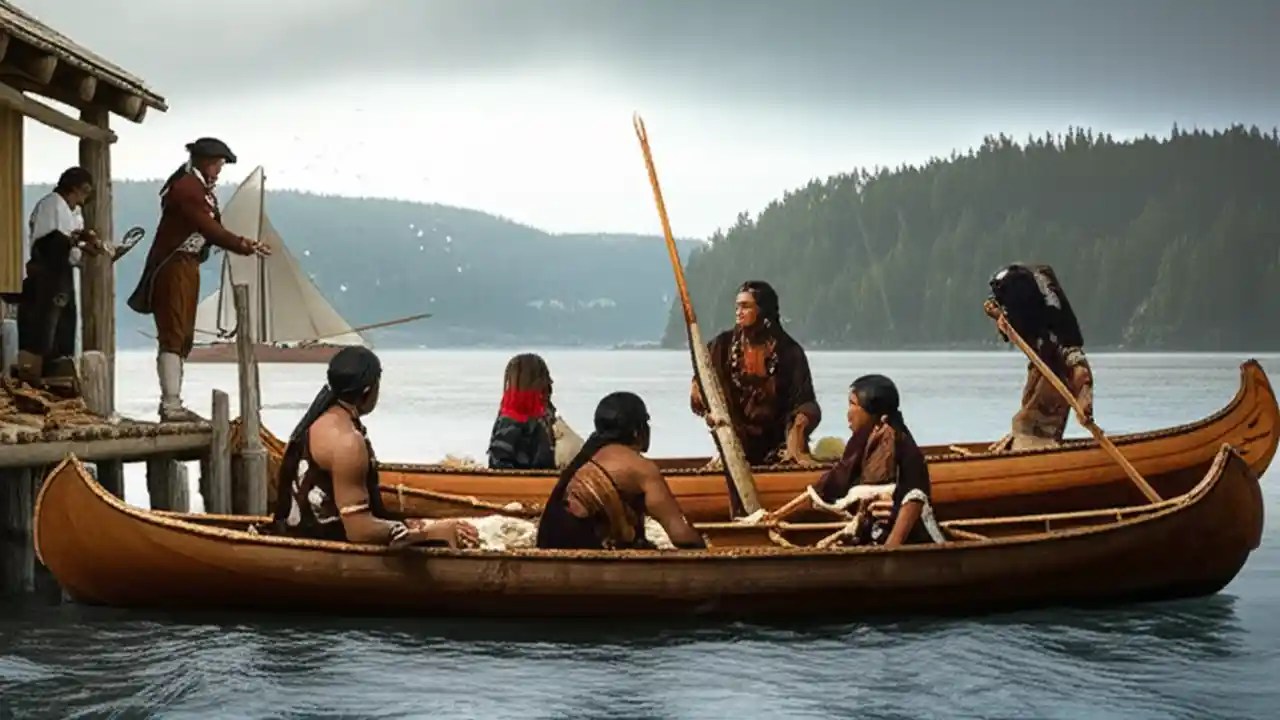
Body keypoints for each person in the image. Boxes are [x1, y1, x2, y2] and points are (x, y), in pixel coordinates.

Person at [269, 346, 479, 548]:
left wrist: (408, 523)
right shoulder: (348, 442)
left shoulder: (323, 420)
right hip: (325, 543)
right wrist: (430, 532)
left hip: (299, 531)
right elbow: (358, 530)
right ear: (369, 390)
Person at [126, 138, 270, 422]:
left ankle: (173, 402)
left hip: (188, 263)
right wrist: (243, 244)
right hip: (173, 264)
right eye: (216, 163)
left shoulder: (196, 187)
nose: (218, 169)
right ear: (203, 161)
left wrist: (239, 242)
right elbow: (211, 230)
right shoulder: (187, 188)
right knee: (174, 333)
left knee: (183, 335)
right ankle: (170, 405)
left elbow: (212, 229)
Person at [766, 374, 941, 548]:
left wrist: (890, 549)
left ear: (880, 418)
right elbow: (831, 484)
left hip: (903, 539)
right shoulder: (861, 441)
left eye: (853, 405)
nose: (848, 414)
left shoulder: (906, 451)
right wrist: (777, 516)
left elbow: (914, 500)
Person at [690, 281, 821, 510]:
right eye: (737, 307)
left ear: (764, 310)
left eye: (746, 307)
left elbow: (805, 400)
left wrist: (799, 429)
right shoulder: (722, 346)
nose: (739, 312)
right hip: (735, 445)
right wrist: (699, 390)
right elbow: (702, 380)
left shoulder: (789, 352)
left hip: (777, 446)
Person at [536, 391, 706, 550]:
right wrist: (706, 548)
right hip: (593, 561)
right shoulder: (641, 469)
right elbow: (680, 535)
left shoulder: (587, 455)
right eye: (646, 422)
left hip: (550, 548)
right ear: (636, 431)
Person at [984, 263, 1094, 452]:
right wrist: (1000, 319)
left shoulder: (1059, 343)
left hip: (1040, 440)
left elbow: (1080, 372)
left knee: (1027, 436)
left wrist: (1084, 405)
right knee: (1020, 430)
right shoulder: (1036, 338)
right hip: (1026, 430)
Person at [14, 167, 104, 391]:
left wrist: (87, 247)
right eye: (83, 193)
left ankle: (59, 380)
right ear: (73, 188)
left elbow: (73, 247)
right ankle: (33, 379)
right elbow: (49, 243)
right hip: (44, 274)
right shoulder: (51, 205)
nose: (83, 200)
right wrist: (78, 240)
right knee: (43, 328)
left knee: (65, 327)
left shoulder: (75, 213)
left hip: (63, 274)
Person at [487, 353, 559, 470]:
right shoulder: (511, 420)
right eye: (545, 377)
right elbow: (499, 463)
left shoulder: (545, 415)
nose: (550, 382)